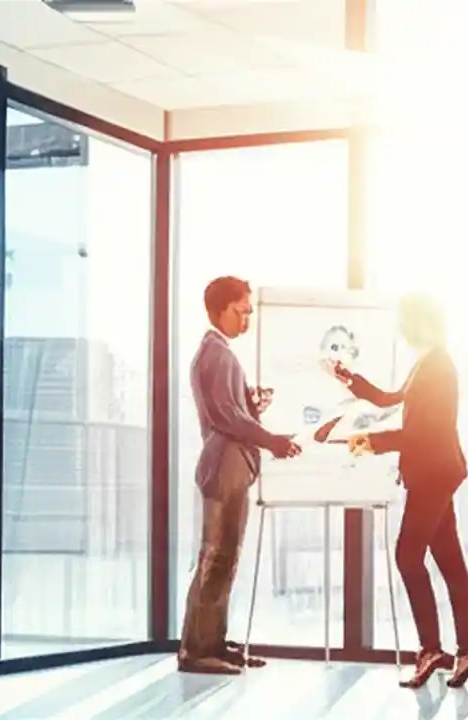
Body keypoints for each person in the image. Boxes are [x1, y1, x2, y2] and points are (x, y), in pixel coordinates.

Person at [338, 293, 468, 690]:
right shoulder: (427, 362)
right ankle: (463, 651)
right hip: (434, 472)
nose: (400, 328)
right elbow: (391, 399)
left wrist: (371, 440)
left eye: (405, 321)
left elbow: (423, 432)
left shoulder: (438, 367)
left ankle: (435, 649)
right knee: (449, 560)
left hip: (434, 473)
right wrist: (352, 381)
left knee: (408, 556)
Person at [178, 276, 301, 675]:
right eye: (242, 311)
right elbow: (226, 417)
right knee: (215, 558)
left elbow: (231, 410)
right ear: (220, 308)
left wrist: (252, 404)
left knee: (224, 558)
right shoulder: (217, 354)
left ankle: (211, 642)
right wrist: (273, 440)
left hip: (230, 465)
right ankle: (197, 652)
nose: (246, 319)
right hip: (224, 466)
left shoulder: (218, 353)